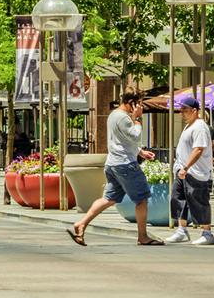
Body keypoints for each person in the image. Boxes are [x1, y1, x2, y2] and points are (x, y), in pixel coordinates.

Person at [67, 87, 163, 246]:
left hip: (113, 163)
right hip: (125, 164)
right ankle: (143, 236)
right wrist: (138, 119)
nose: (140, 106)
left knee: (108, 199)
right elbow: (135, 135)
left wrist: (140, 152)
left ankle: (81, 224)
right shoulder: (124, 118)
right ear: (131, 102)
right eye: (138, 103)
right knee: (142, 199)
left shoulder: (113, 115)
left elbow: (122, 141)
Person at [166, 99, 214, 245]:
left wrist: (186, 167)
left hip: (196, 172)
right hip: (183, 171)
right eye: (181, 110)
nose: (182, 113)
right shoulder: (189, 125)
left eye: (185, 110)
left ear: (195, 111)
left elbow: (198, 149)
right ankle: (182, 230)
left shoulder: (200, 127)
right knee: (178, 199)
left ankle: (207, 233)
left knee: (199, 201)